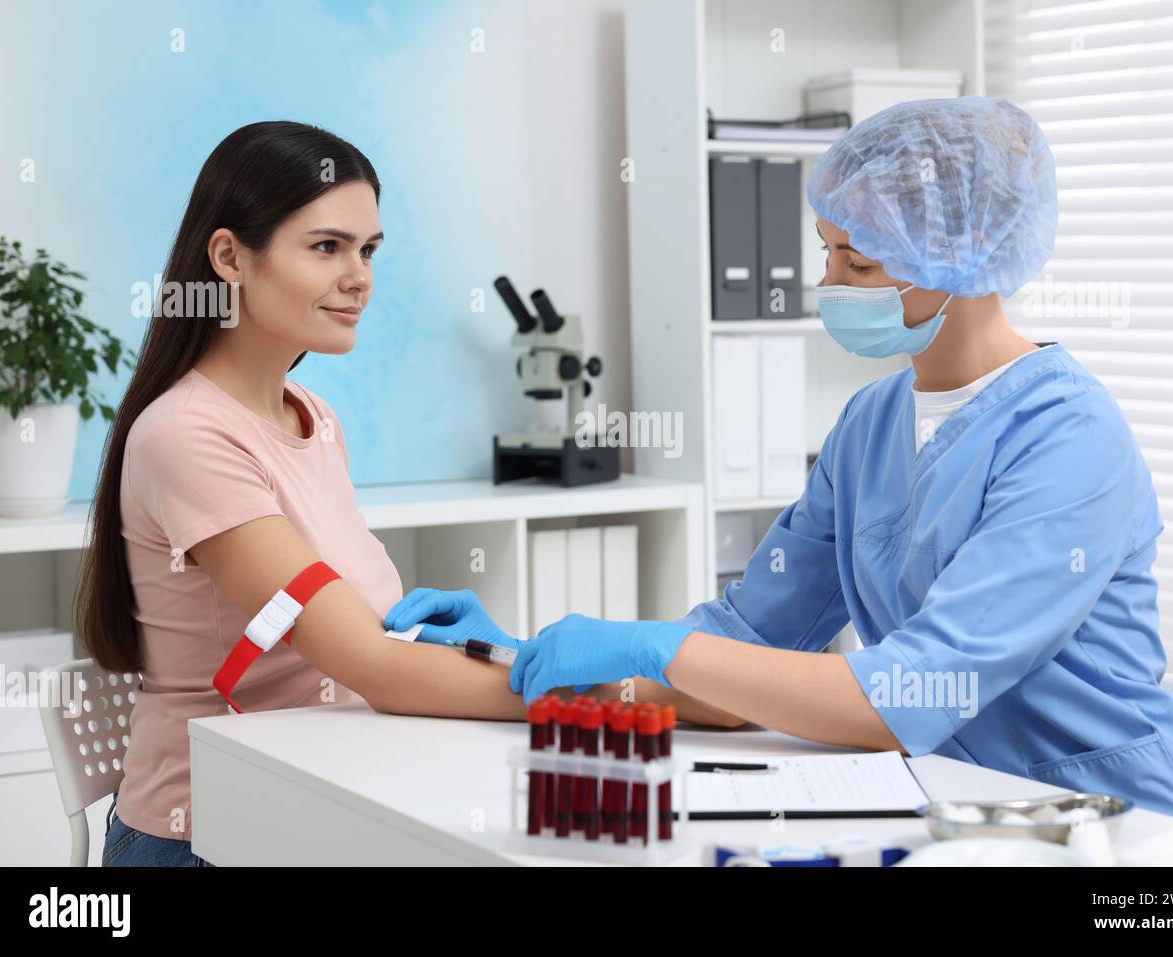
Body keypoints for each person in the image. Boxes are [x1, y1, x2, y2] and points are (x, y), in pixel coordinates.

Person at [387, 98, 1173, 820]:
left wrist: (648, 646)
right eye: (826, 252)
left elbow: (911, 693)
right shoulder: (869, 425)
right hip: (965, 811)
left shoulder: (1070, 439)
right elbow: (749, 642)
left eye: (857, 260)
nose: (827, 283)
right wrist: (530, 659)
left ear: (964, 254)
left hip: (1125, 830)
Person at [77, 121, 742, 866]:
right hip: (212, 831)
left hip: (323, 787)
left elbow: (366, 642)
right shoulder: (187, 436)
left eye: (368, 250)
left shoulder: (312, 417)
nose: (359, 276)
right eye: (326, 246)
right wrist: (636, 693)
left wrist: (506, 654)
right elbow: (372, 664)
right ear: (230, 256)